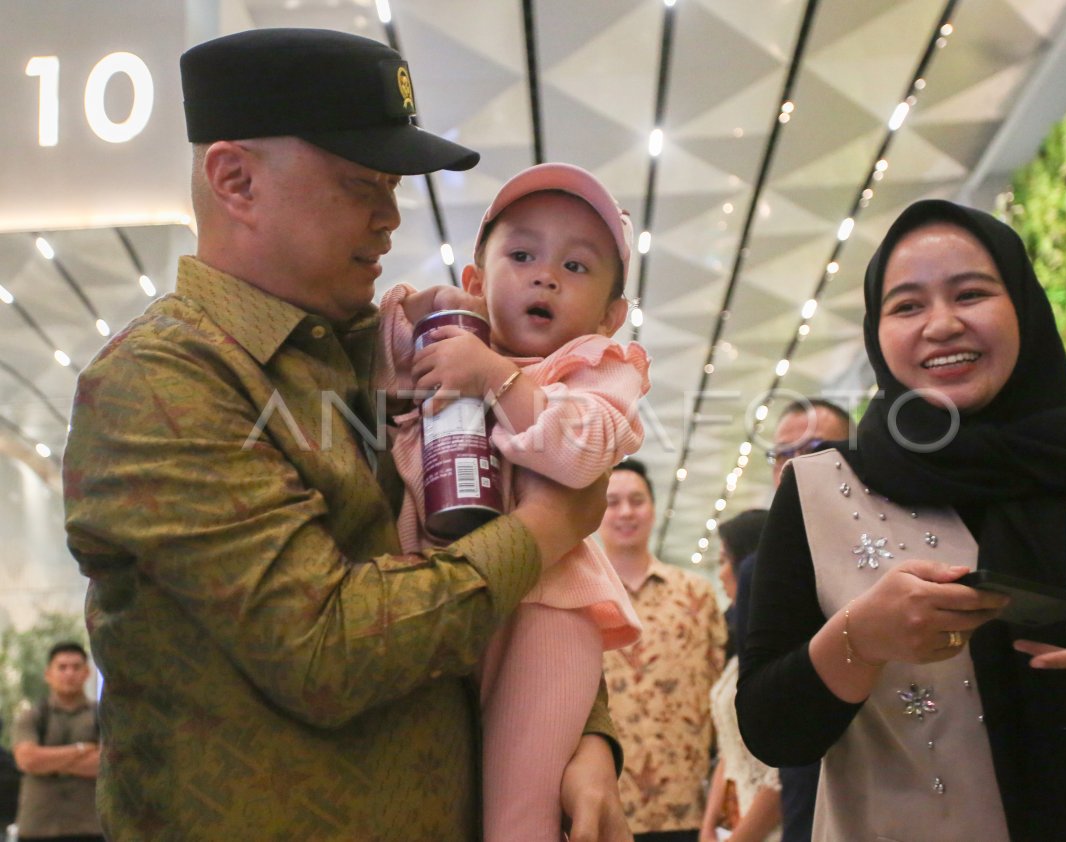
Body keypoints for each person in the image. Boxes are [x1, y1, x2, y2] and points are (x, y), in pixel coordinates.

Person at [62, 28, 628, 841]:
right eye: (363, 183)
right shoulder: (160, 383)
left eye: (394, 187)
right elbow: (324, 649)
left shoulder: (400, 345)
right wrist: (548, 525)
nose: (391, 217)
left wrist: (584, 737)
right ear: (236, 179)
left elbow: (523, 584)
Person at [737, 198, 1066, 842]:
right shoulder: (822, 491)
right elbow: (772, 730)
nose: (942, 324)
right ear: (878, 333)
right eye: (907, 306)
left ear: (1024, 308)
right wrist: (860, 638)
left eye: (972, 293)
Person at [374, 162, 649, 842]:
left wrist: (498, 379)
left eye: (577, 266)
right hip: (430, 601)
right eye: (521, 255)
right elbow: (378, 371)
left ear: (612, 315)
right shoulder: (450, 344)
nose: (544, 275)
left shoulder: (596, 370)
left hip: (547, 613)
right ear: (476, 281)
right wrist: (414, 315)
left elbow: (584, 453)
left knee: (519, 803)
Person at [730, 398, 850, 842]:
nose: (795, 464)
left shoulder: (895, 542)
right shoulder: (757, 572)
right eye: (783, 453)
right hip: (804, 786)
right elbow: (760, 698)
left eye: (815, 447)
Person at [601, 459, 727, 842]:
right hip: (606, 806)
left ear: (653, 509)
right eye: (613, 501)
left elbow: (719, 689)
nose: (626, 512)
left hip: (685, 805)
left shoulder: (695, 594)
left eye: (636, 500)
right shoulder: (580, 597)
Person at [701, 508, 780, 842]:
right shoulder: (741, 647)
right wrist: (708, 826)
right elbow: (729, 752)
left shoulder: (779, 654)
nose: (720, 575)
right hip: (733, 821)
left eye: (724, 561)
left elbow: (780, 775)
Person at [11, 642, 102, 842]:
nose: (69, 673)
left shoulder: (103, 716)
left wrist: (48, 762)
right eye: (62, 667)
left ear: (87, 672)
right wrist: (81, 749)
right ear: (48, 674)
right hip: (37, 829)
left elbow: (106, 765)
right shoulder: (32, 716)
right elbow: (27, 760)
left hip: (90, 829)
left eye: (76, 667)